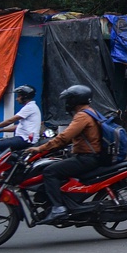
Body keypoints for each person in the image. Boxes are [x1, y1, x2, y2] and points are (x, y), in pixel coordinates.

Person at [26, 84, 103, 221]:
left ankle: (58, 208)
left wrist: (40, 149)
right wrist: (50, 148)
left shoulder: (82, 116)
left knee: (49, 172)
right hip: (88, 156)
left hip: (86, 159)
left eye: (69, 100)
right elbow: (70, 139)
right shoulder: (90, 112)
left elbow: (64, 137)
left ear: (75, 100)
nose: (67, 103)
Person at [0, 85, 41, 162]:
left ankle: (4, 169)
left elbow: (10, 121)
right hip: (23, 138)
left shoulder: (30, 107)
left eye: (18, 96)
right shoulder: (31, 107)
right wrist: (0, 130)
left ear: (24, 96)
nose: (16, 99)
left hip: (24, 139)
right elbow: (18, 126)